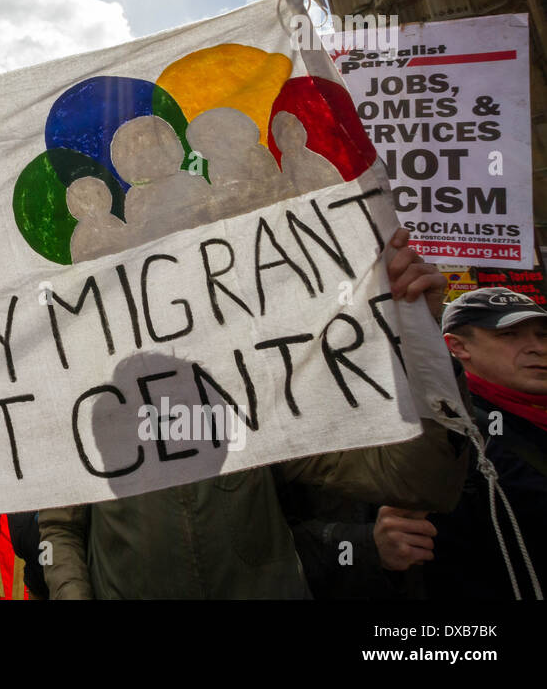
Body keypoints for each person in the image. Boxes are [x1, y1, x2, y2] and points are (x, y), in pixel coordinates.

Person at [39, 228, 470, 598]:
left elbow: (421, 481)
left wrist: (417, 338)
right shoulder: (94, 418)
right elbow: (58, 533)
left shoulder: (264, 408)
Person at [407, 288, 547, 598]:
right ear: (457, 346)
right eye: (510, 335)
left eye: (543, 335)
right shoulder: (446, 432)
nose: (538, 348)